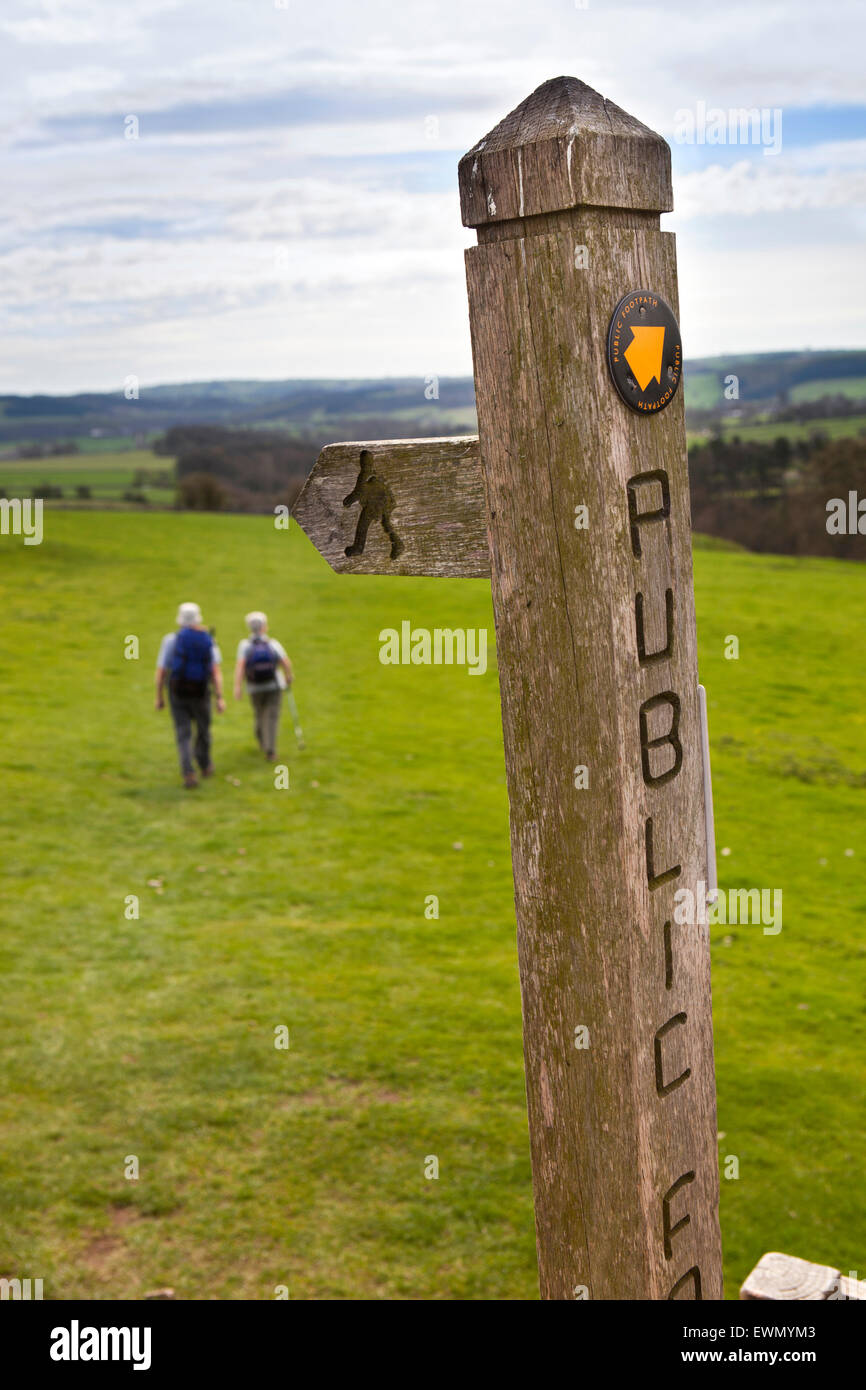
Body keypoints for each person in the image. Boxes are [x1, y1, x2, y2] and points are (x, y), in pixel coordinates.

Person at [155, 602, 225, 788]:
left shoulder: (171, 640)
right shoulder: (208, 639)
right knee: (203, 730)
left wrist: (159, 696)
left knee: (183, 733)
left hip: (177, 692)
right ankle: (205, 765)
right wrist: (219, 697)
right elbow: (215, 672)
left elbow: (162, 671)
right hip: (201, 692)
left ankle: (188, 773)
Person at [233, 611, 293, 762]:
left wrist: (238, 686)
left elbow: (240, 667)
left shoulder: (245, 646)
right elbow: (285, 662)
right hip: (274, 685)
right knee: (271, 717)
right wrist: (288, 676)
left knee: (259, 714)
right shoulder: (273, 644)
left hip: (254, 687)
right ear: (264, 627)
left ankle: (261, 739)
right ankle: (271, 750)